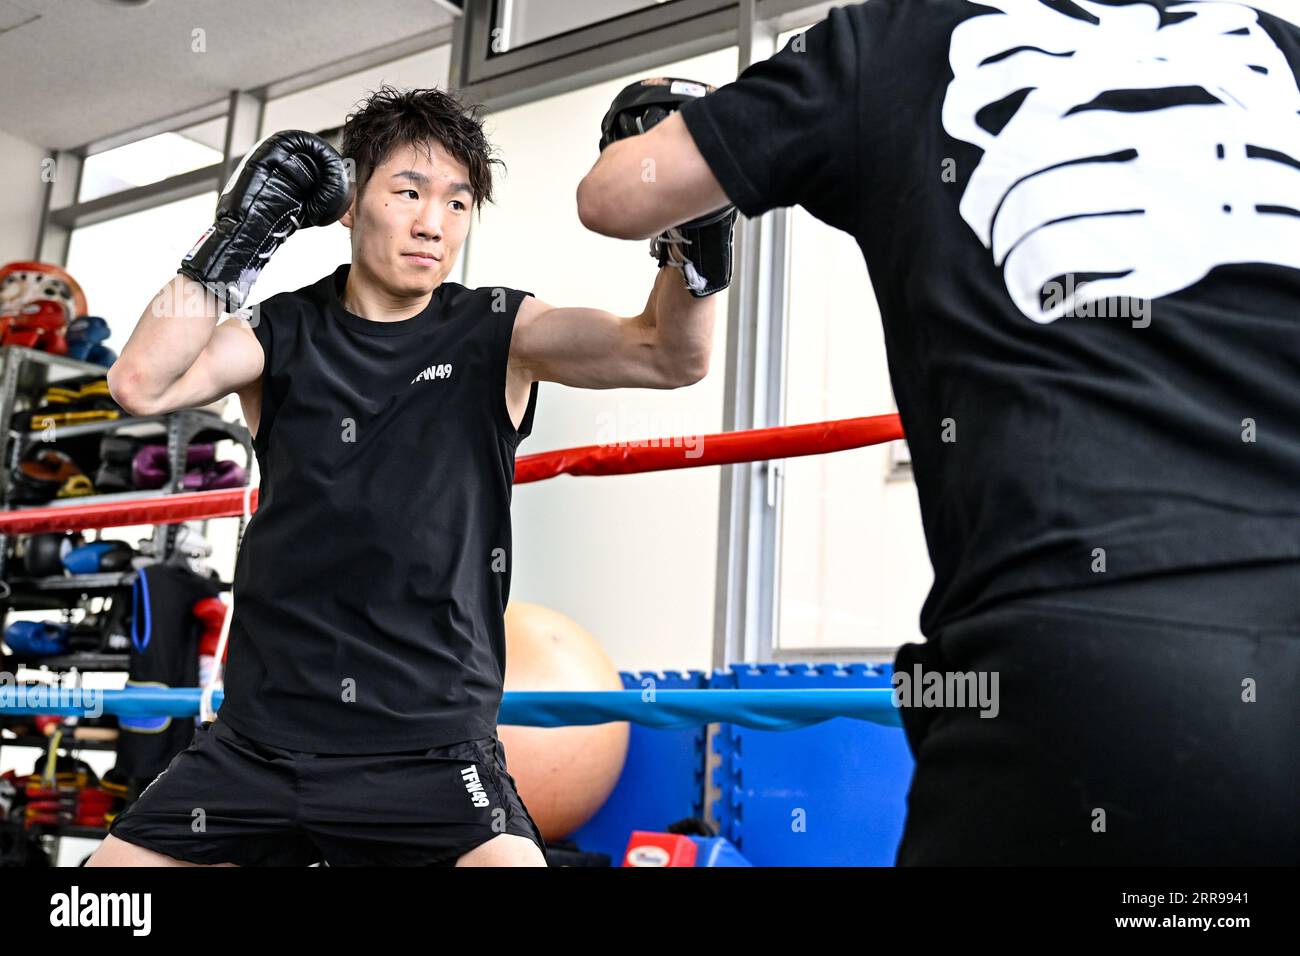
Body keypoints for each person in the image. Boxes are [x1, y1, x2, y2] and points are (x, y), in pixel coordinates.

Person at [577, 0, 1300, 865]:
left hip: (1075, 670)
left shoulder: (893, 40)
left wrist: (696, 169)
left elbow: (614, 195)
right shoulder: (1281, 51)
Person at [91, 83, 732, 867]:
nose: (435, 223)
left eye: (458, 204)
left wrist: (696, 233)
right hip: (256, 745)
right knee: (98, 902)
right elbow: (140, 384)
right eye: (409, 192)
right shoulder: (281, 330)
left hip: (429, 753)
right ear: (352, 202)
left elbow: (669, 355)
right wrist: (242, 233)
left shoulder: (499, 327)